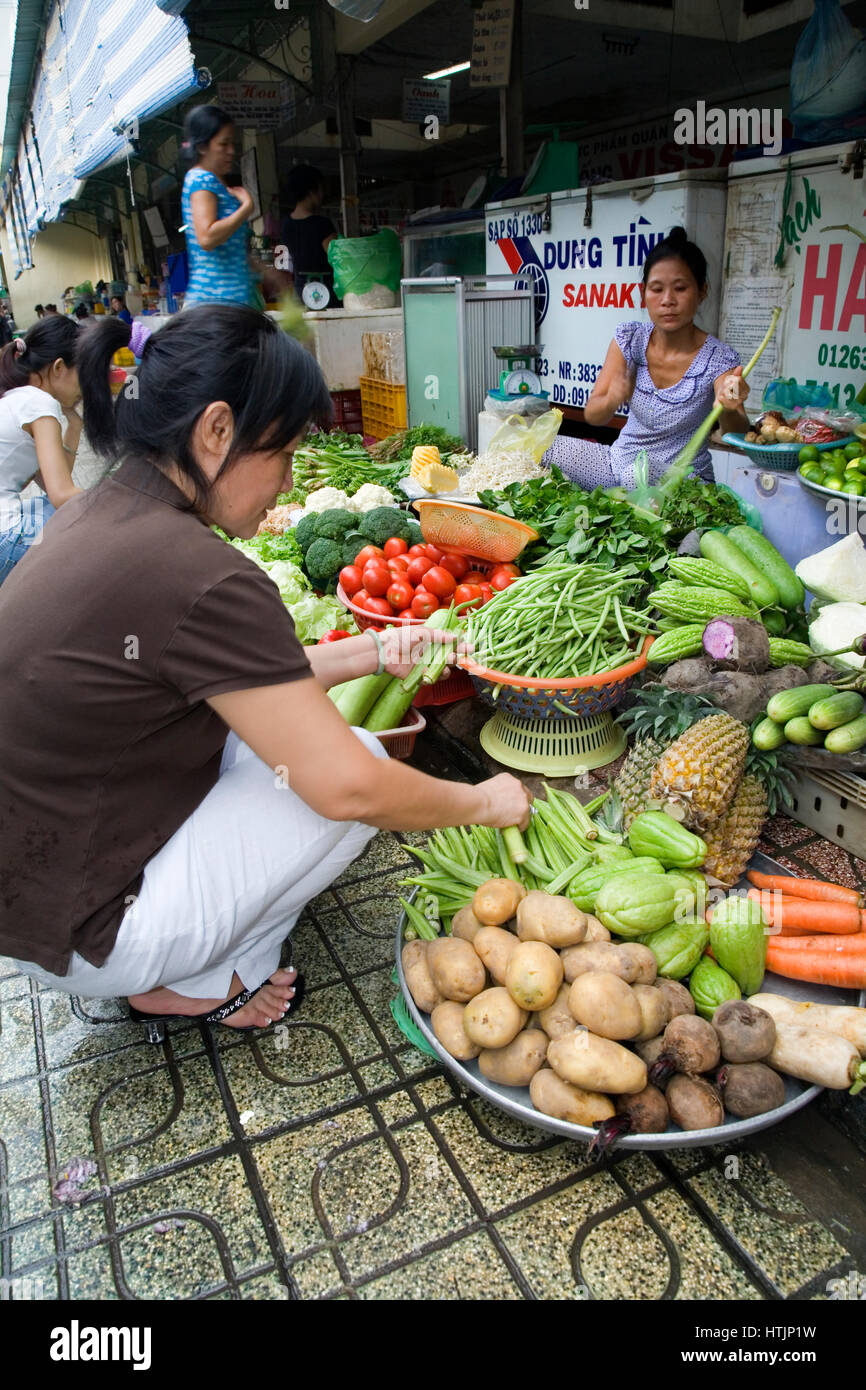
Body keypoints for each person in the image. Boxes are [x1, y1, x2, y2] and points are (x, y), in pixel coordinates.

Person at [0, 305, 530, 1033]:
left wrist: (373, 650)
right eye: (282, 455)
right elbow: (347, 787)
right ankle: (213, 979)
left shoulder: (103, 512)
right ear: (216, 430)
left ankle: (173, 965)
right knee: (355, 767)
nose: (287, 481)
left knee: (279, 748)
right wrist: (486, 802)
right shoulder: (200, 572)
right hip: (89, 930)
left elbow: (245, 686)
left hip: (32, 903)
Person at [552, 227, 750, 488]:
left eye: (680, 288)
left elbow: (737, 433)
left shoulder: (719, 359)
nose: (668, 300)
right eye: (656, 289)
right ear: (644, 293)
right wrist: (612, 398)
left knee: (637, 476)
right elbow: (594, 415)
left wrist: (730, 406)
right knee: (545, 446)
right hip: (619, 464)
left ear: (701, 291)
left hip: (679, 482)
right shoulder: (629, 338)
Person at [0, 317, 84, 583]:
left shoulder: (17, 397)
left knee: (56, 509)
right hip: (4, 539)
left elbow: (53, 484)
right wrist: (121, 502)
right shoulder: (39, 403)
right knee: (88, 527)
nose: (84, 386)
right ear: (59, 367)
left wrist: (75, 424)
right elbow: (63, 494)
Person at [180, 105, 255, 307]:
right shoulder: (201, 179)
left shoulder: (214, 182)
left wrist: (267, 272)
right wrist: (246, 208)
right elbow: (207, 237)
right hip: (216, 304)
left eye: (232, 143)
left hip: (230, 304)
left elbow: (230, 251)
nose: (231, 151)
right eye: (223, 144)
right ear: (203, 146)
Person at [279, 164, 338, 303]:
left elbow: (283, 263)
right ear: (312, 192)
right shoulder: (321, 224)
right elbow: (338, 258)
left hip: (300, 292)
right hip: (326, 293)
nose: (322, 194)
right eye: (321, 189)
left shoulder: (286, 224)